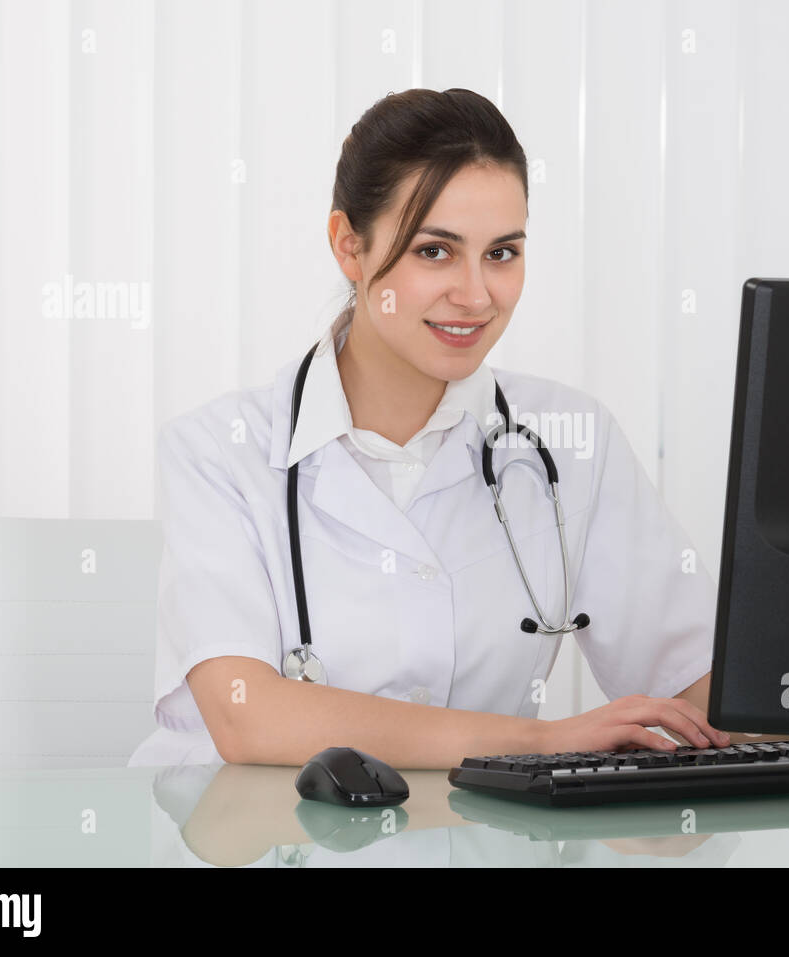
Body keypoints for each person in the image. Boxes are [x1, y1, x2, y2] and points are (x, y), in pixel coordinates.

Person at [128, 87, 729, 770]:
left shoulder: (571, 443)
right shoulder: (219, 450)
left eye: (502, 253)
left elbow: (700, 687)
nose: (476, 295)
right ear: (349, 248)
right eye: (436, 252)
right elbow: (249, 717)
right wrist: (543, 741)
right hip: (242, 839)